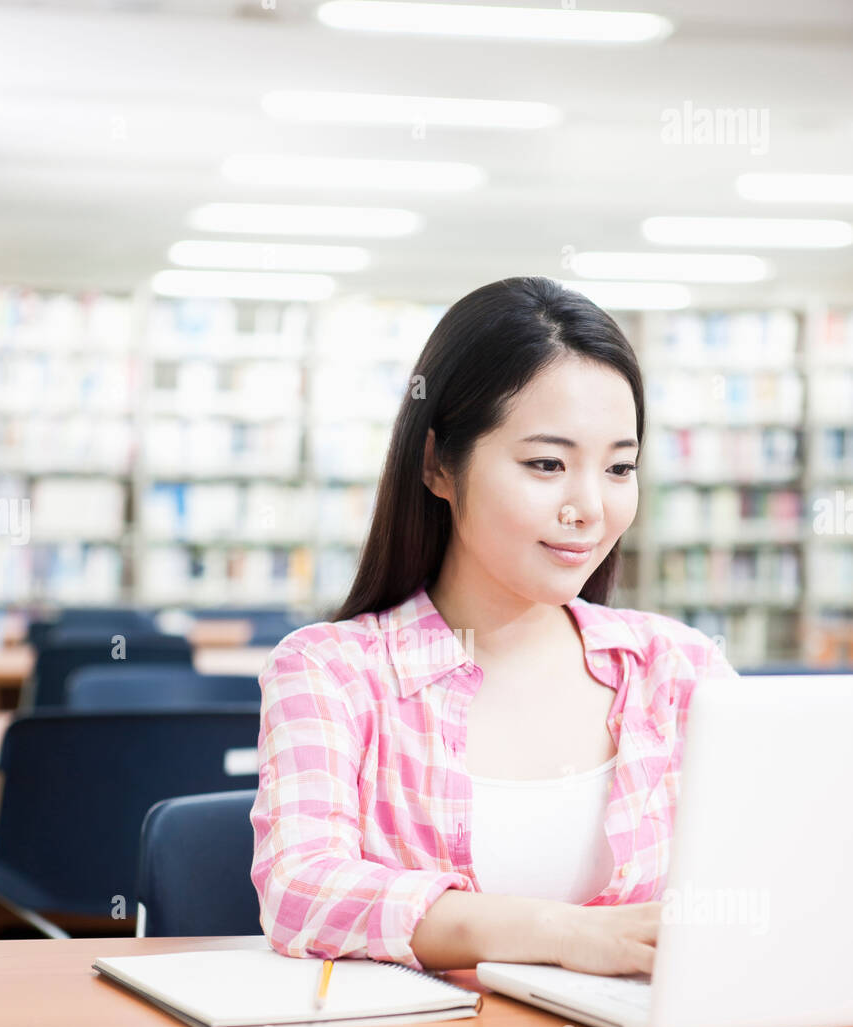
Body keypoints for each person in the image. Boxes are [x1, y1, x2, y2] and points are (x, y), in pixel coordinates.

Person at [250, 276, 739, 976]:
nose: (590, 507)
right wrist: (562, 934)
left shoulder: (681, 669)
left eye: (620, 467)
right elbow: (302, 892)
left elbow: (771, 878)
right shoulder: (332, 671)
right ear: (437, 465)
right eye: (547, 464)